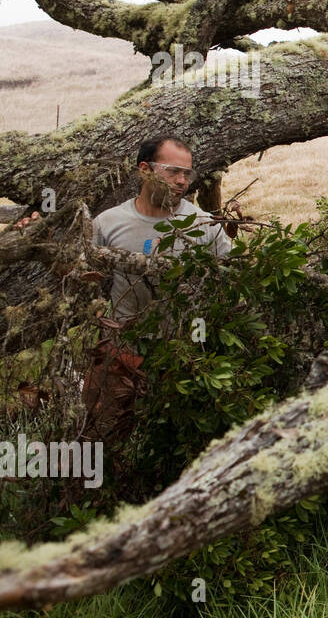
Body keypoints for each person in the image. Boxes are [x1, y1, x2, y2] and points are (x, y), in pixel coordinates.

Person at [16, 136, 233, 433]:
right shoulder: (109, 222)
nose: (182, 181)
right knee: (98, 434)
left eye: (187, 174)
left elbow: (235, 279)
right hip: (121, 351)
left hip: (185, 353)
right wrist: (42, 246)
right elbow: (76, 273)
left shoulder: (204, 224)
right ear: (144, 170)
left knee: (175, 437)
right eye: (173, 171)